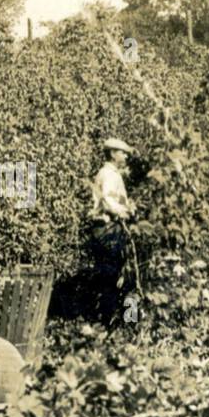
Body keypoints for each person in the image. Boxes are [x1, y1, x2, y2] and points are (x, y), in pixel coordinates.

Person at [87, 138, 136, 325]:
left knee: (121, 275)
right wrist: (123, 212)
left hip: (112, 228)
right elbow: (107, 200)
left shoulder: (113, 174)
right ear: (113, 154)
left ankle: (122, 320)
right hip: (108, 229)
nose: (125, 156)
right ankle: (109, 321)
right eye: (122, 152)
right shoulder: (107, 174)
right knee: (112, 276)